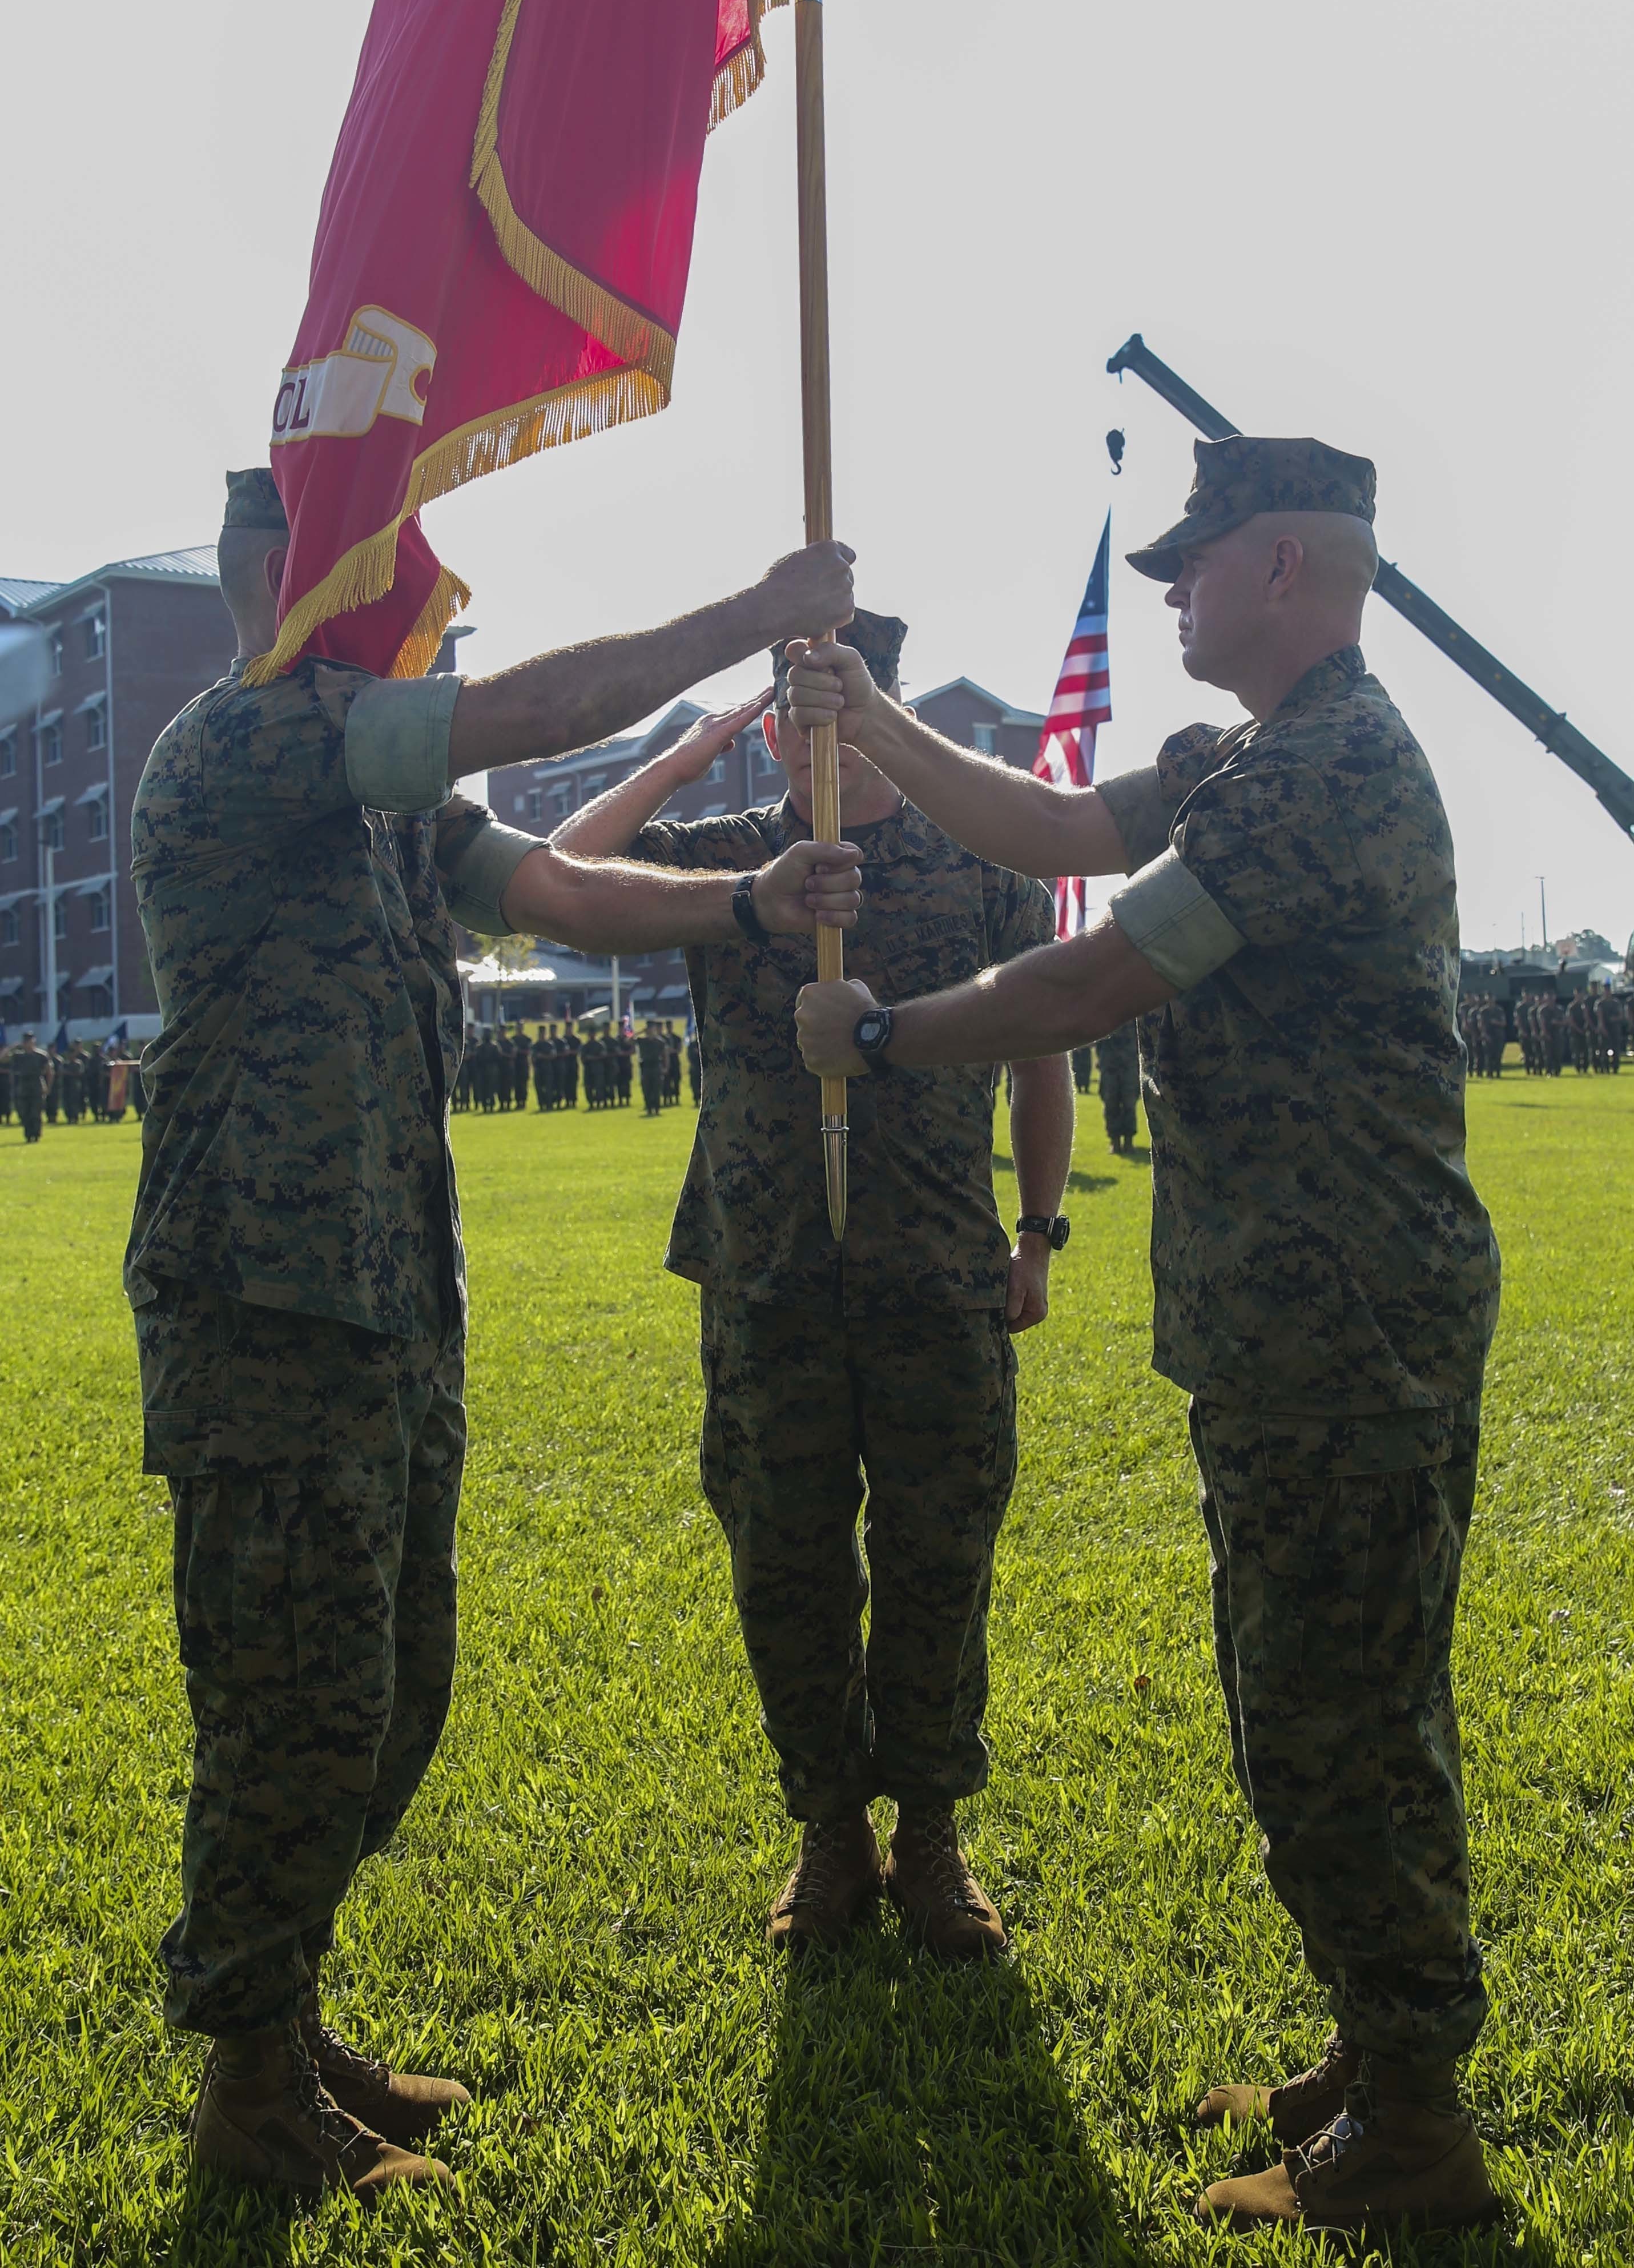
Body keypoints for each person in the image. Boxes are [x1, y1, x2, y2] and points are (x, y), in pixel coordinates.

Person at [788, 440, 1503, 2237]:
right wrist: (868, 711)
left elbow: (1097, 972)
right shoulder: (1256, 757)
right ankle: (1371, 2046)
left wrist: (877, 1041)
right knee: (1300, 1706)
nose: (1172, 585)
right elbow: (1054, 832)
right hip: (1294, 1316)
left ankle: (1415, 2122)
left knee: (1347, 1718)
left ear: (1281, 567)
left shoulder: (1332, 769)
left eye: (1196, 560)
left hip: (1349, 1320)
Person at [126, 467, 859, 2202]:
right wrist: (754, 612)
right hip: (266, 1307)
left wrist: (745, 902)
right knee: (289, 1698)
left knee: (384, 1689)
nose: (438, 613)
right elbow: (532, 712)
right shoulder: (244, 740)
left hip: (383, 1301)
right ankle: (248, 2083)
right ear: (310, 577)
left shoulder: (382, 806)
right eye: (407, 579)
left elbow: (550, 888)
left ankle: (290, 2019)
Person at [553, 612, 1074, 1957]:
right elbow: (563, 869)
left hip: (935, 1267)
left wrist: (1034, 1231)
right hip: (766, 1273)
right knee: (781, 1558)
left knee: (935, 1554)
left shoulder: (973, 864)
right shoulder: (730, 863)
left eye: (828, 704)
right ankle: (828, 1825)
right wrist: (683, 756)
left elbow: (1040, 1052)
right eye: (783, 712)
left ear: (874, 710)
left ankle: (931, 1833)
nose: (803, 733)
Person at [1092, 1018, 1139, 1154]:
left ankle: (1129, 1142)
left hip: (1129, 1063)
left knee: (1129, 1104)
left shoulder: (1133, 1011)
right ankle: (1115, 1142)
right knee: (1111, 1104)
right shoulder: (1106, 1012)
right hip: (1110, 1064)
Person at [12, 1030, 52, 1144]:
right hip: (24, 1086)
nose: (28, 1043)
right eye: (26, 1041)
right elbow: (2, 1058)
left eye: (30, 1041)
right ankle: (28, 1135)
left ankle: (36, 1135)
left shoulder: (41, 1055)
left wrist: (48, 1087)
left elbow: (50, 1071)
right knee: (25, 1113)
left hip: (36, 1085)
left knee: (36, 1112)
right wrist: (12, 1047)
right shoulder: (19, 1056)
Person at [637, 1020, 666, 1116]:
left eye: (652, 1029)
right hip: (646, 1068)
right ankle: (649, 1109)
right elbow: (628, 1041)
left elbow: (665, 1055)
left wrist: (665, 1067)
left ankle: (657, 1109)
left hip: (656, 1068)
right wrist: (640, 1032)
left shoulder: (660, 1042)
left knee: (657, 1089)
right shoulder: (642, 1041)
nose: (650, 1031)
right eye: (649, 1029)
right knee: (647, 1090)